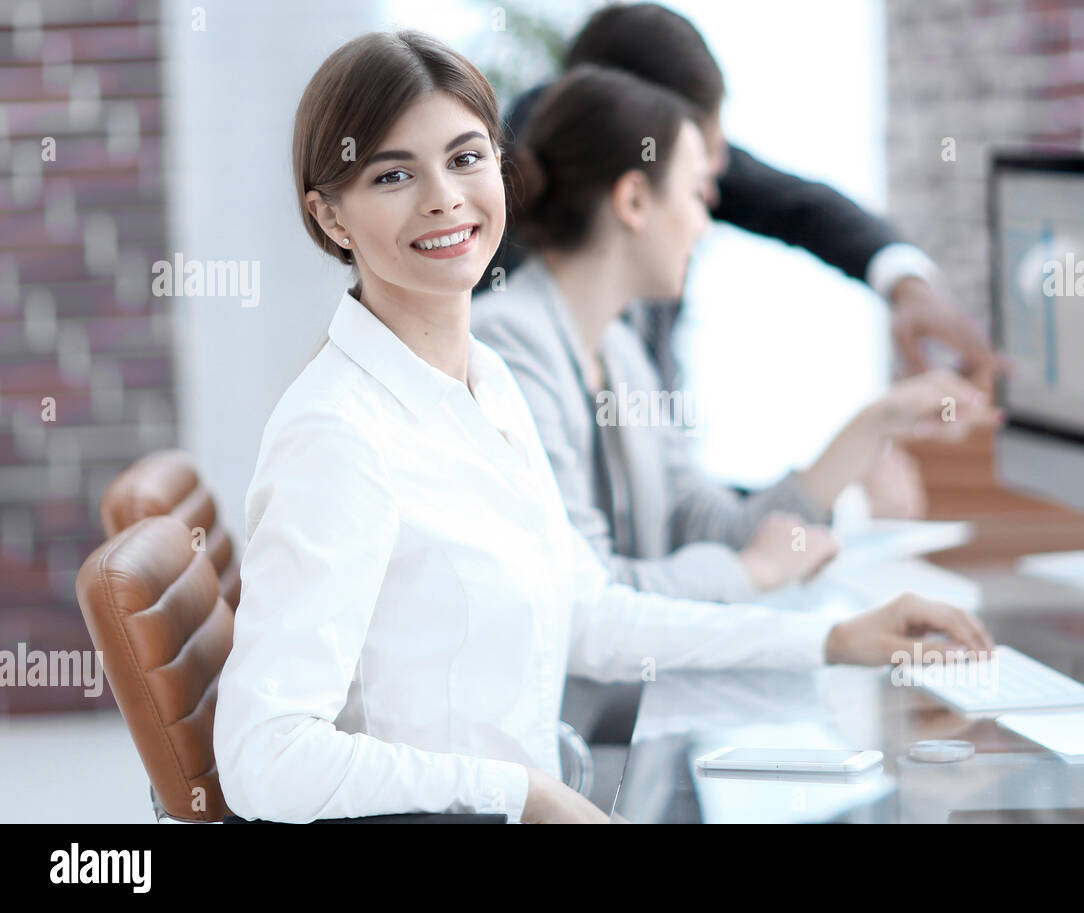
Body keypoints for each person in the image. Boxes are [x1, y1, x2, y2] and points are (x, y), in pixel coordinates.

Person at [212, 30, 993, 825]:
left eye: (466, 157)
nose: (444, 196)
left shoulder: (488, 380)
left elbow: (591, 614)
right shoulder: (339, 436)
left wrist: (831, 636)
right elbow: (263, 759)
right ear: (330, 217)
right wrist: (523, 794)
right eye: (393, 174)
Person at [473, 67, 1001, 604]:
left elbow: (712, 527)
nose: (705, 224)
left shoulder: (620, 352)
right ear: (634, 201)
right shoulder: (509, 346)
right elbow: (586, 600)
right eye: (697, 195)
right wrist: (751, 574)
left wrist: (877, 422)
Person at [479, 2, 1004, 392]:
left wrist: (906, 285)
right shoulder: (507, 324)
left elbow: (800, 206)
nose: (717, 184)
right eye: (703, 158)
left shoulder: (647, 157)